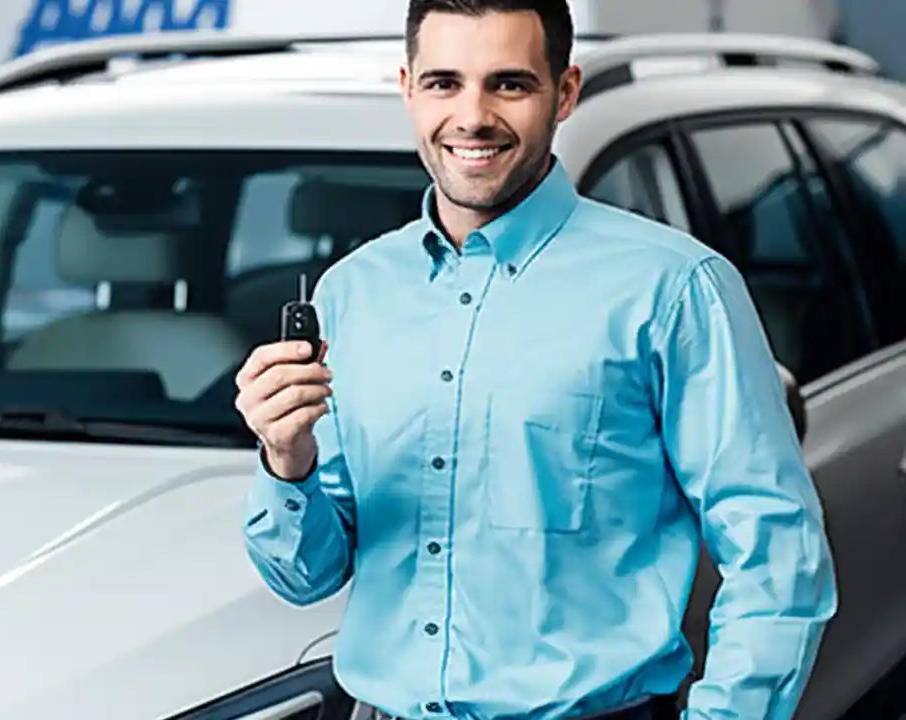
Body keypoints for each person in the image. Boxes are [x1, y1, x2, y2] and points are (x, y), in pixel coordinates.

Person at [233, 0, 839, 718]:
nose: (473, 115)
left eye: (509, 84)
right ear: (408, 88)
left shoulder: (673, 288)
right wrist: (286, 460)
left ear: (567, 92)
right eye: (444, 83)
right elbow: (306, 576)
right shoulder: (352, 295)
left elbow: (778, 554)